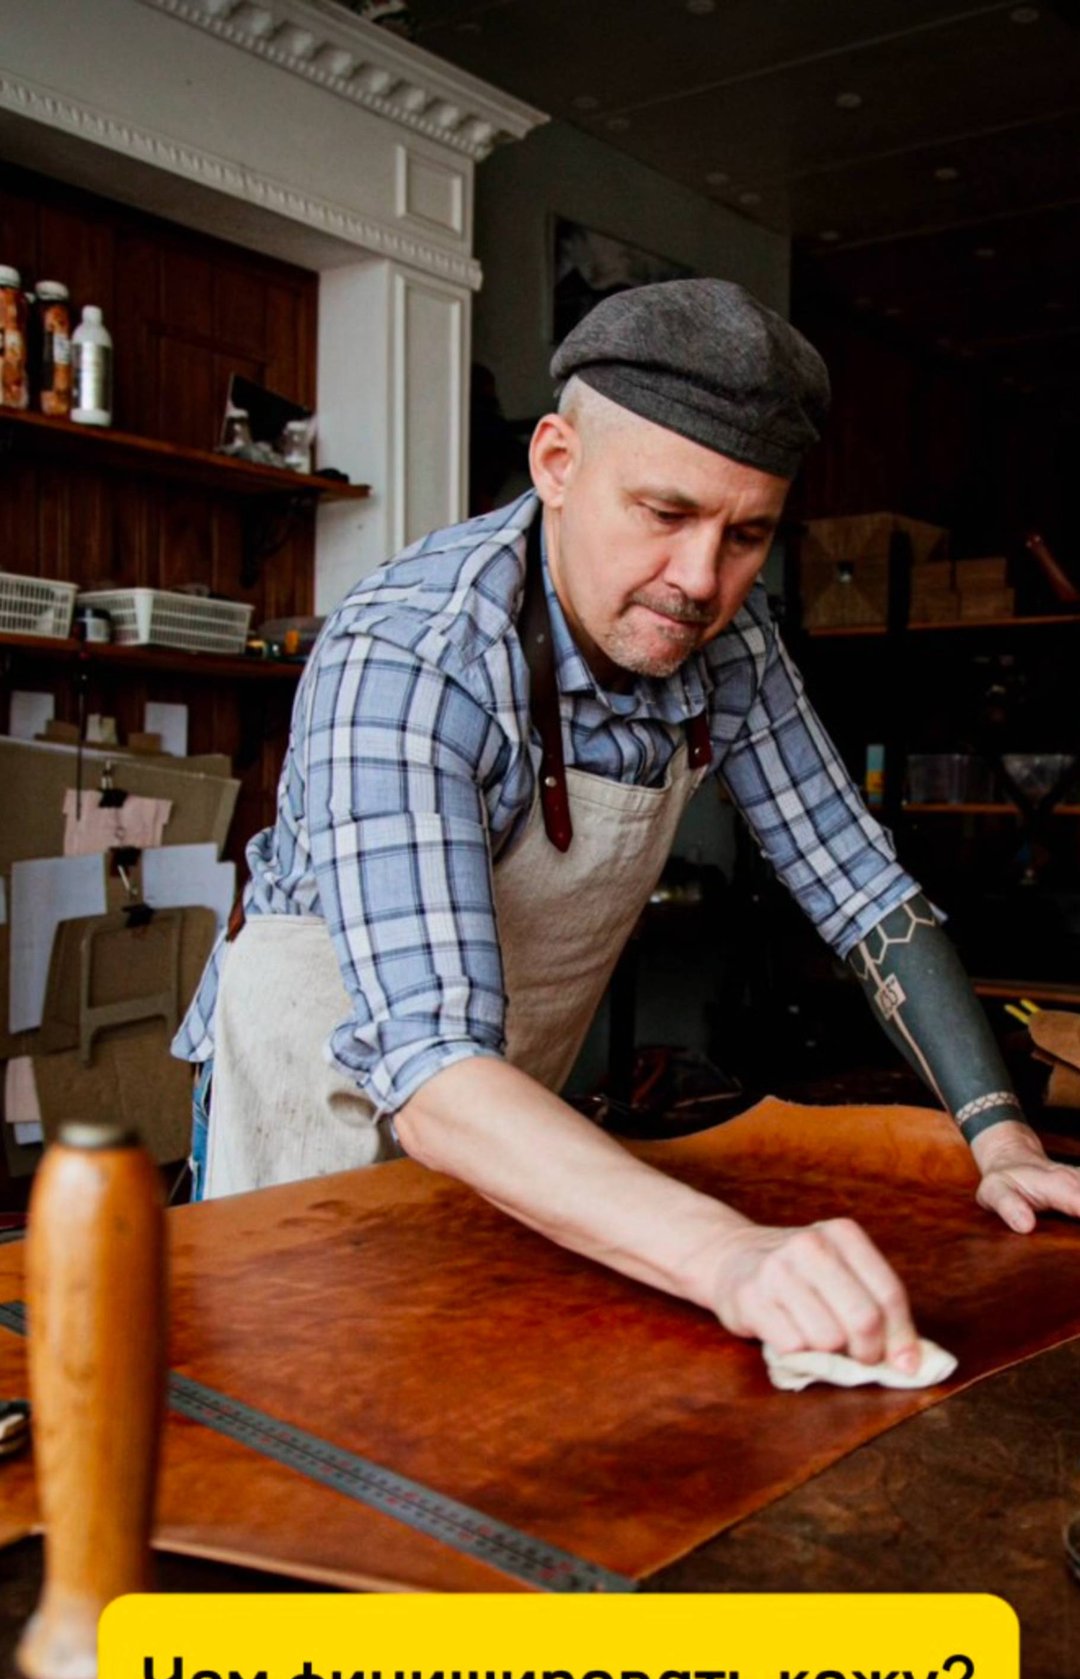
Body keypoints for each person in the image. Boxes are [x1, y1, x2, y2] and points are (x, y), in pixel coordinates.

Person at [174, 279, 1080, 1371]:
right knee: (298, 1391)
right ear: (557, 464)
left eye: (747, 535)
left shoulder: (731, 648)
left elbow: (863, 891)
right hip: (327, 1094)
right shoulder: (415, 656)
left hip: (506, 1114)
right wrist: (728, 1256)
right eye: (665, 514)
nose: (700, 582)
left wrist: (1001, 1136)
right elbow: (430, 1064)